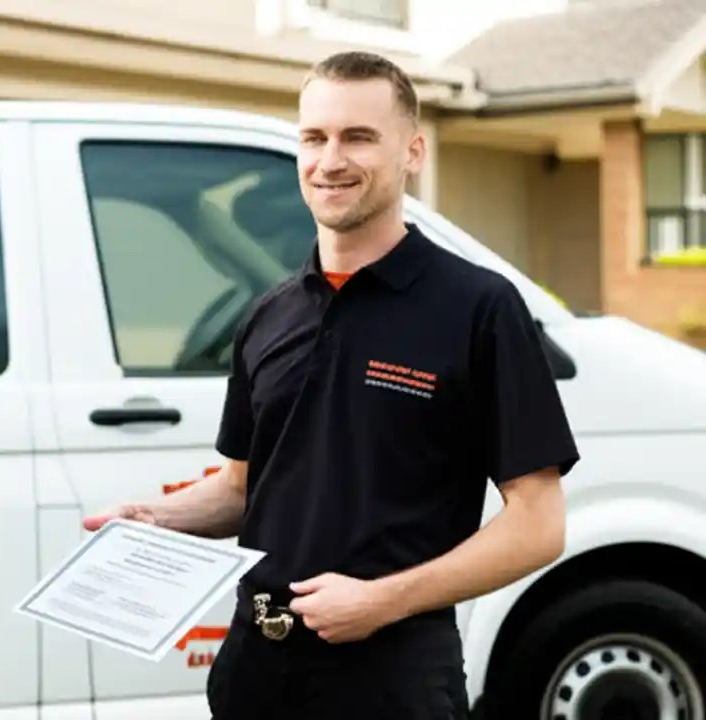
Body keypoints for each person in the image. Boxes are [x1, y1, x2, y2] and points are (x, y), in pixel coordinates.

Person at [83, 51, 579, 718]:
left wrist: (383, 600)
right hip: (254, 668)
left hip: (393, 675)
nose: (330, 160)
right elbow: (241, 488)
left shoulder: (478, 308)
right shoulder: (268, 314)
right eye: (314, 138)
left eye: (358, 137)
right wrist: (155, 518)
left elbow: (538, 524)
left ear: (413, 152)